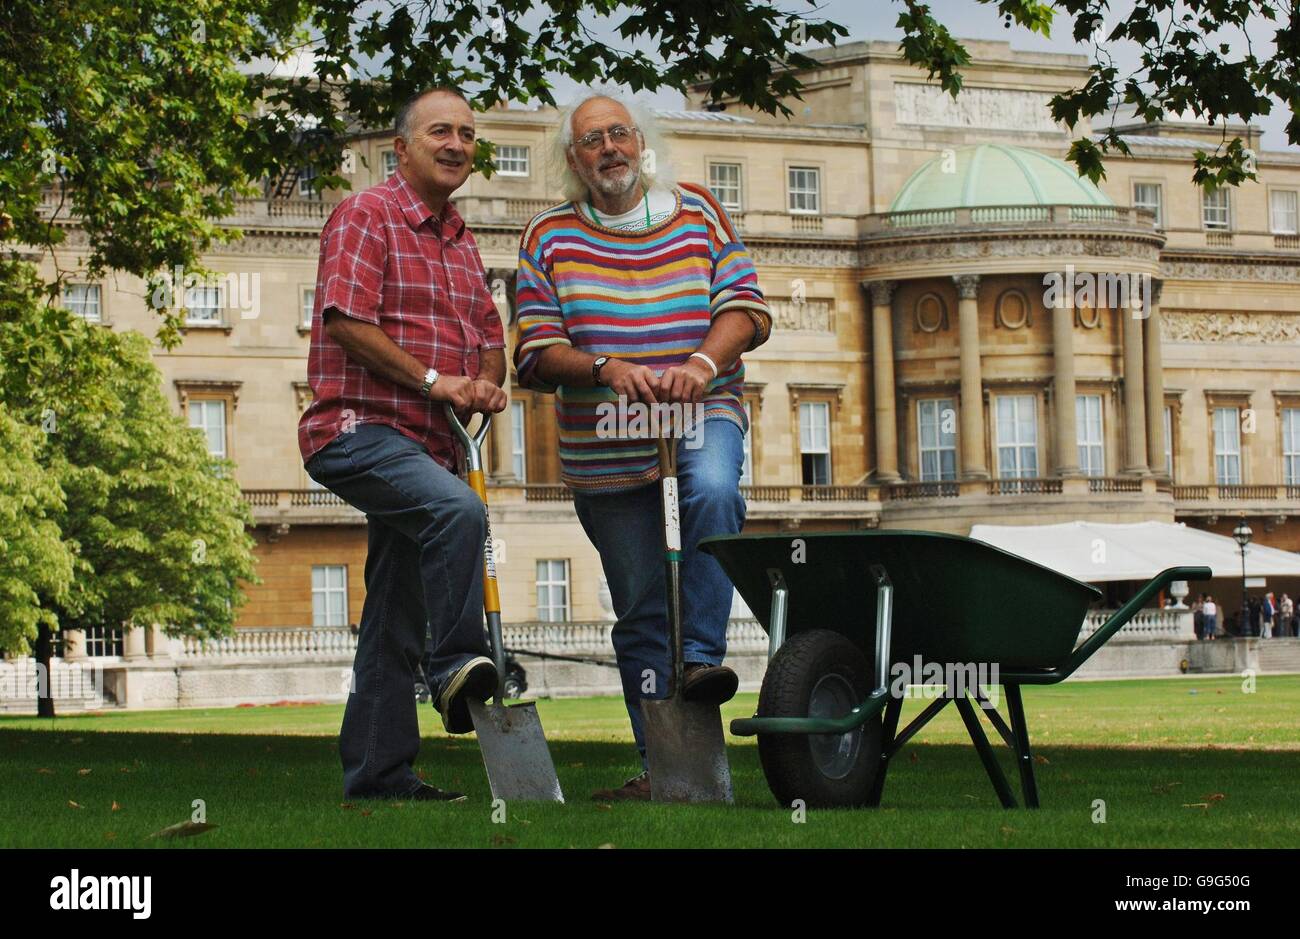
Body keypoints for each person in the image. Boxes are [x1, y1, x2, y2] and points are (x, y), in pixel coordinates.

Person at [513, 89, 772, 801]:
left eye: (619, 134)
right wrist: (606, 370)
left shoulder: (697, 211)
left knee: (715, 489)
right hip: (604, 444)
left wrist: (698, 365)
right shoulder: (548, 238)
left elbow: (746, 307)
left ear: (641, 140)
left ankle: (701, 660)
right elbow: (534, 351)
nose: (609, 150)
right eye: (592, 141)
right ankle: (663, 770)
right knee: (640, 609)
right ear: (574, 159)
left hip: (701, 406)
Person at [299, 87, 508, 801]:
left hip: (427, 449)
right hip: (355, 432)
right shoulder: (368, 214)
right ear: (402, 148)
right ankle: (454, 665)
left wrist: (481, 382)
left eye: (469, 135)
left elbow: (488, 336)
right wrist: (433, 381)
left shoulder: (463, 238)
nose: (457, 144)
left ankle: (378, 773)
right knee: (458, 513)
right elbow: (344, 320)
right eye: (440, 132)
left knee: (393, 614)